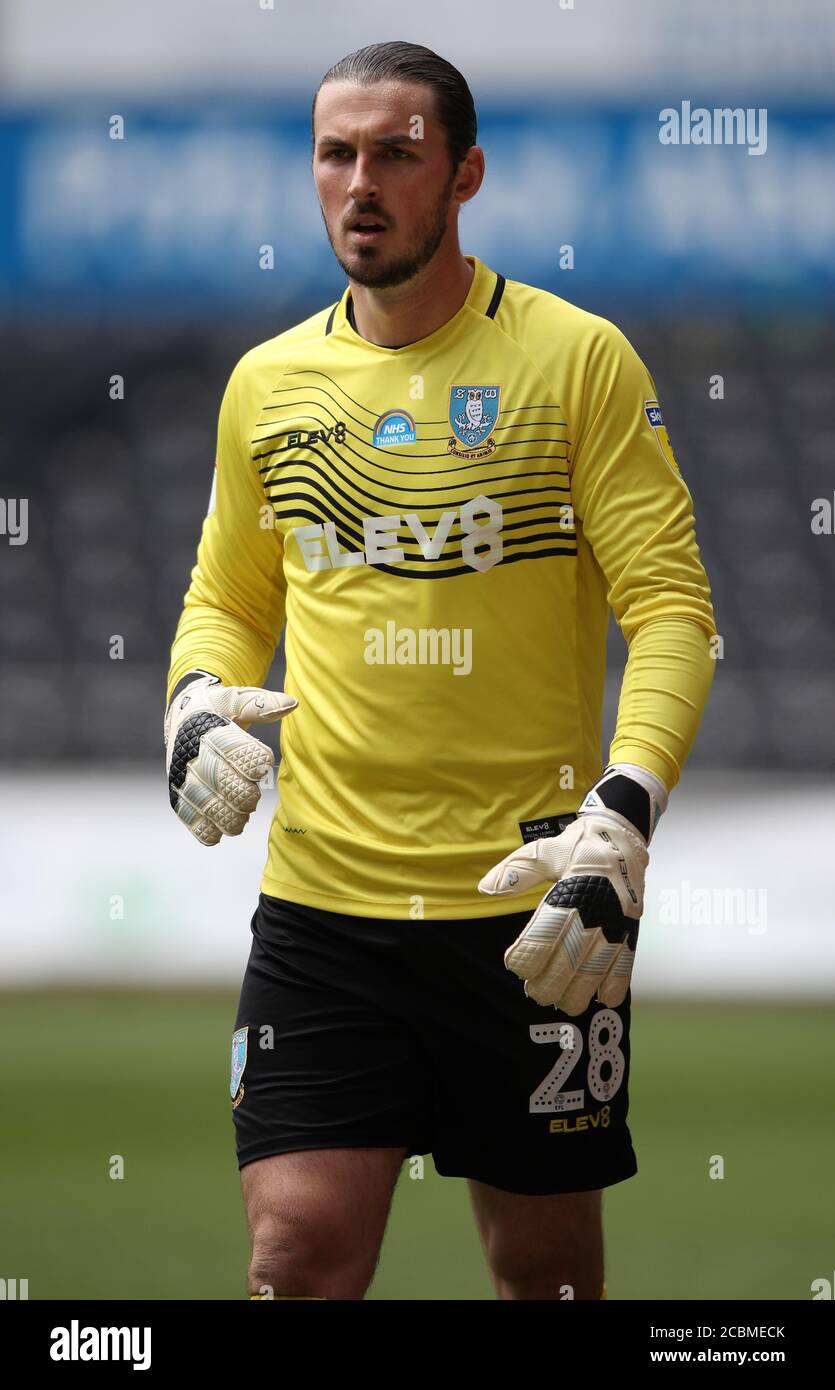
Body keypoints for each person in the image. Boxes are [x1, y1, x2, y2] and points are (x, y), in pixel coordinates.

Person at [164, 40, 716, 1300]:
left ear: (463, 174)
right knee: (294, 1251)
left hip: (537, 912)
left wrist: (623, 811)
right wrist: (193, 701)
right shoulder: (266, 386)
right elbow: (223, 600)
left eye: (396, 155)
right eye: (335, 153)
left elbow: (671, 608)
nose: (361, 182)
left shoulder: (577, 361)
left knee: (545, 1273)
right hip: (323, 911)